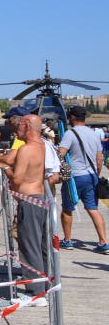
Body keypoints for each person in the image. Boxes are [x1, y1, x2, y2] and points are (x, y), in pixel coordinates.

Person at [0, 114, 48, 306]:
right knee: (40, 247)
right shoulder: (41, 146)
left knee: (29, 247)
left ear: (27, 126)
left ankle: (34, 292)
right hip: (40, 199)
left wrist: (3, 167)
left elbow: (17, 178)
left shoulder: (26, 149)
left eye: (20, 125)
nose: (17, 129)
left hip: (29, 200)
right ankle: (43, 285)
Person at [58, 105, 108, 253]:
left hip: (75, 177)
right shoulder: (94, 134)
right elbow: (99, 159)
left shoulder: (70, 133)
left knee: (67, 208)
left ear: (72, 117)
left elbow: (61, 153)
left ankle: (67, 240)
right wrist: (96, 175)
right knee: (93, 208)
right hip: (91, 176)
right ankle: (103, 241)